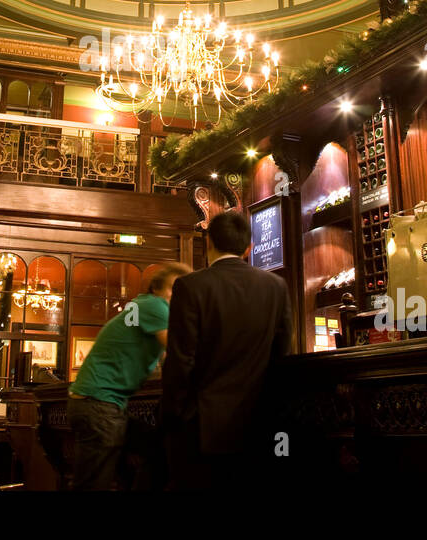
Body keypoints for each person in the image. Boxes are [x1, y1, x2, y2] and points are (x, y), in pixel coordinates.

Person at [161, 209, 292, 490]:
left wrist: (174, 416)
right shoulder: (275, 286)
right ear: (249, 248)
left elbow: (181, 359)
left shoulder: (190, 286)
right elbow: (282, 355)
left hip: (202, 427)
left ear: (209, 244)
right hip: (257, 424)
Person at [67, 263, 190, 490]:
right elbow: (180, 352)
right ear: (157, 289)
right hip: (99, 404)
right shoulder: (155, 305)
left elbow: (167, 360)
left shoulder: (144, 308)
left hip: (96, 403)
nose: (178, 294)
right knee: (93, 485)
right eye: (174, 288)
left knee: (156, 449)